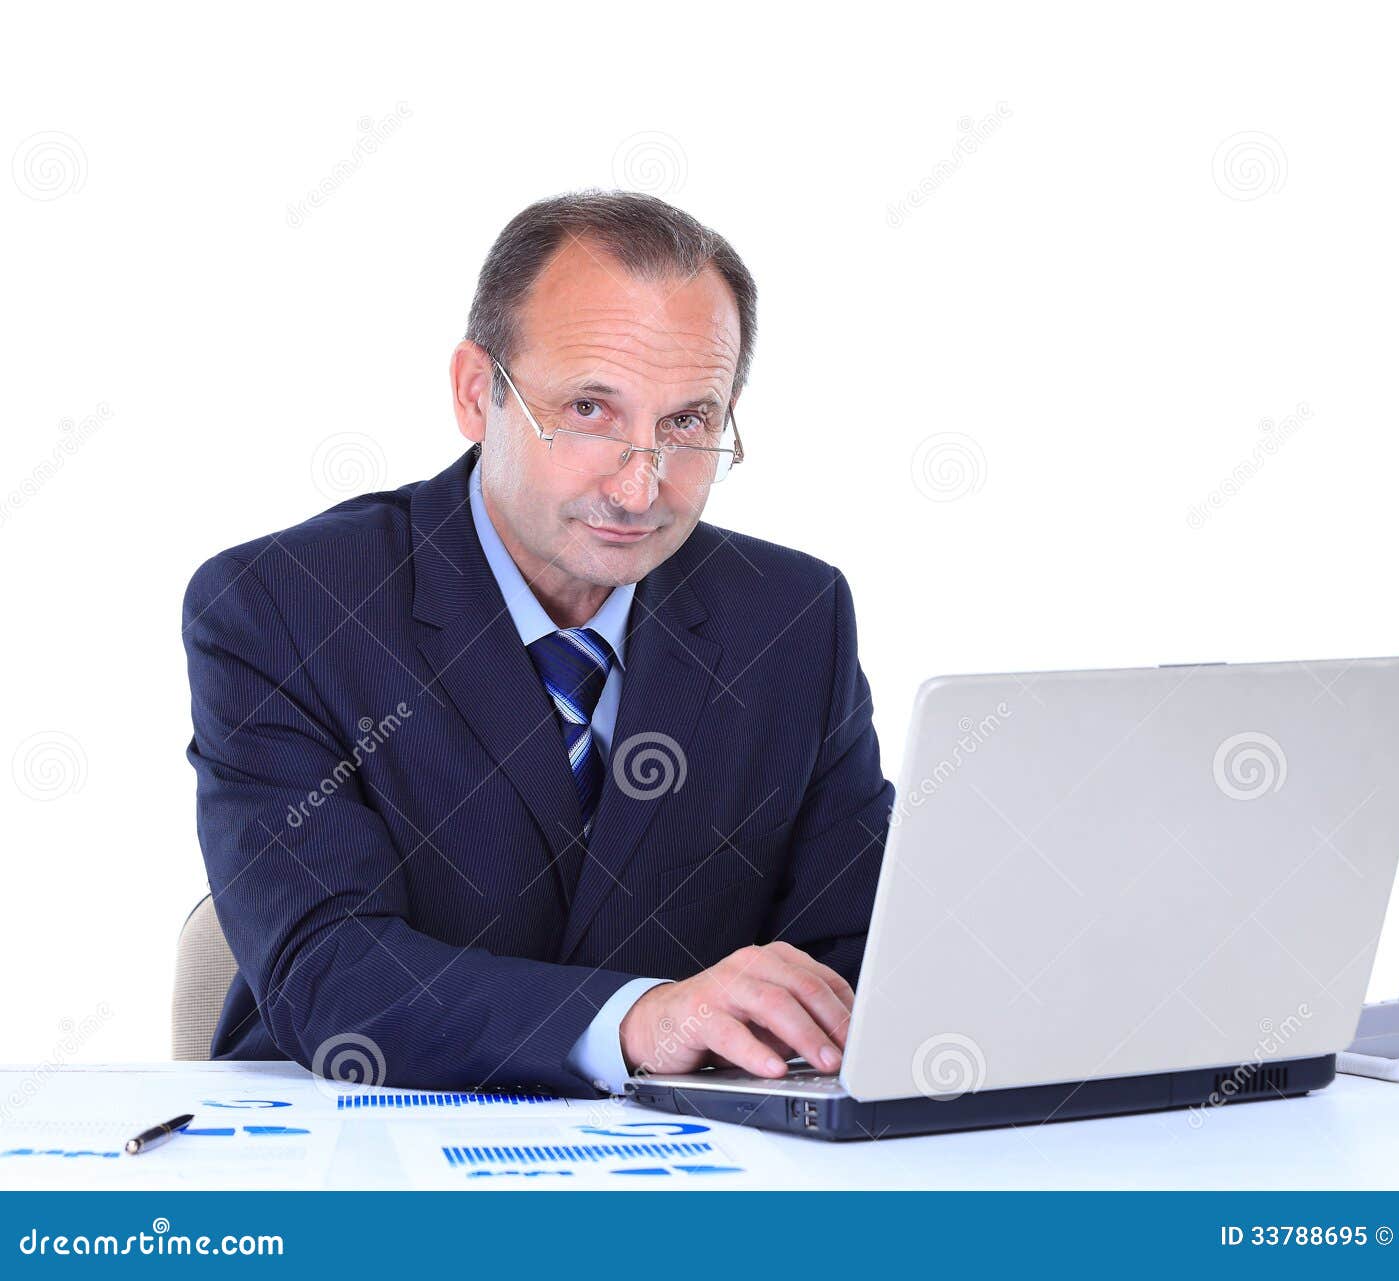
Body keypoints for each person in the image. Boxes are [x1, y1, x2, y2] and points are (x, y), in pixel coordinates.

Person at [181, 191, 893, 1097]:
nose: (640, 489)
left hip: (693, 1149)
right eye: (590, 408)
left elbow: (862, 953)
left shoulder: (794, 617)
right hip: (351, 1126)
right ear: (475, 392)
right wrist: (635, 1020)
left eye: (687, 422)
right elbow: (328, 966)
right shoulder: (282, 605)